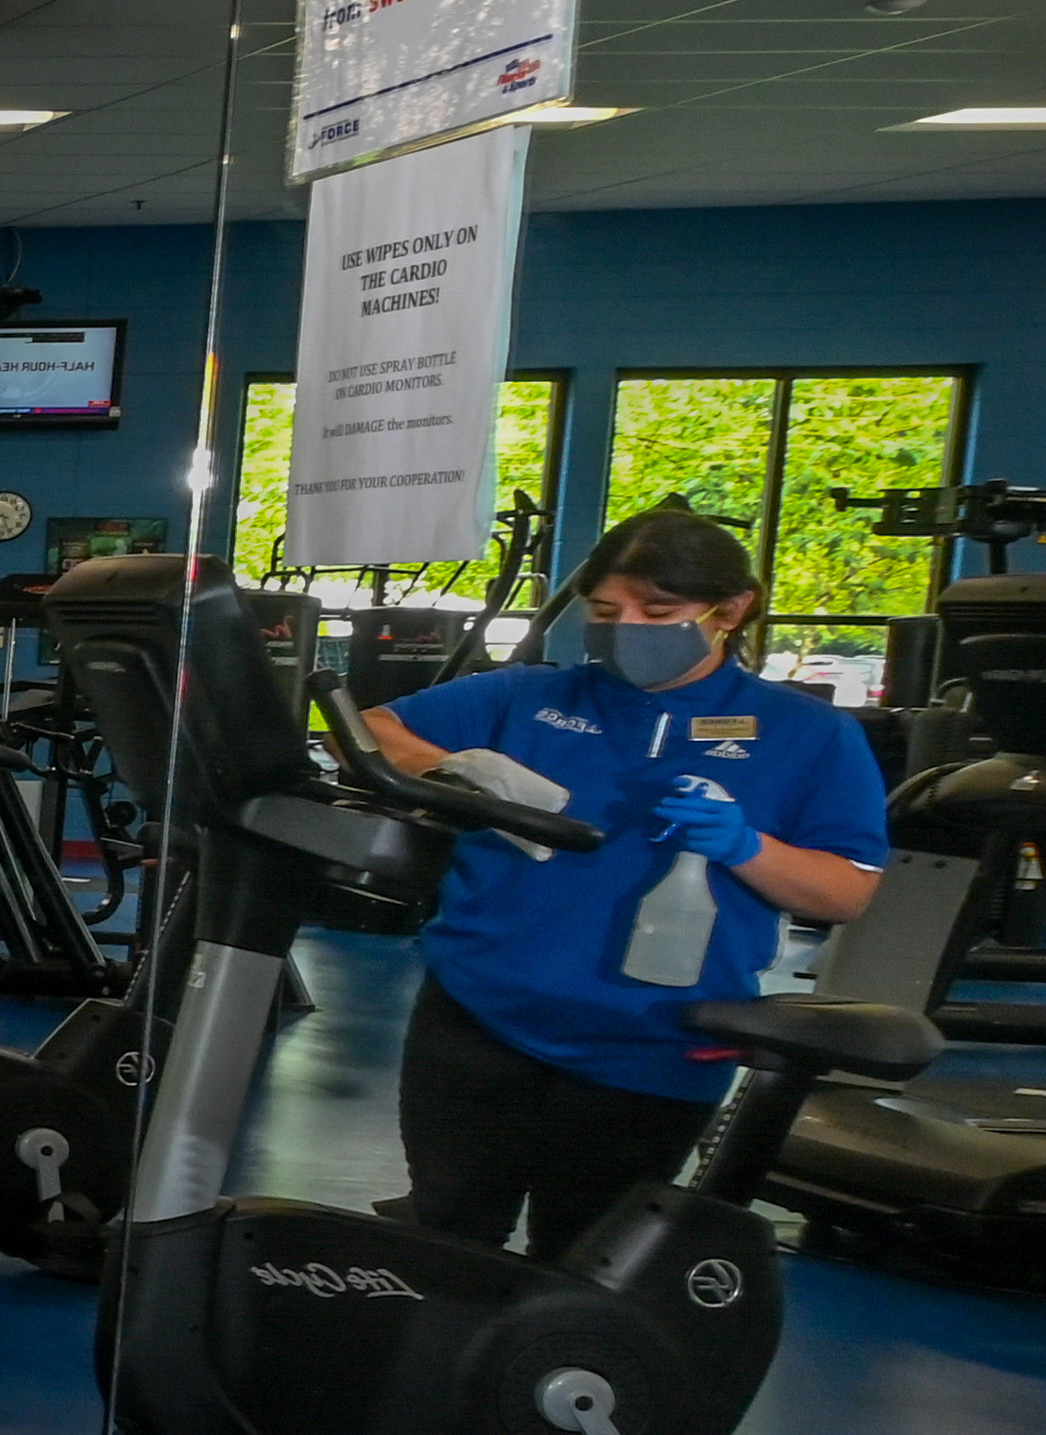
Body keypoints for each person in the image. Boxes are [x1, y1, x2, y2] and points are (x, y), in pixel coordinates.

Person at [356, 506, 888, 1255]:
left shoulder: (807, 734)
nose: (626, 627)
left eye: (657, 611)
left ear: (730, 609)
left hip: (653, 1044)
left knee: (586, 1254)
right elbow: (367, 726)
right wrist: (451, 769)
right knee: (447, 1235)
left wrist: (744, 845)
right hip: (478, 1017)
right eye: (605, 611)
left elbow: (845, 890)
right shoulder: (528, 697)